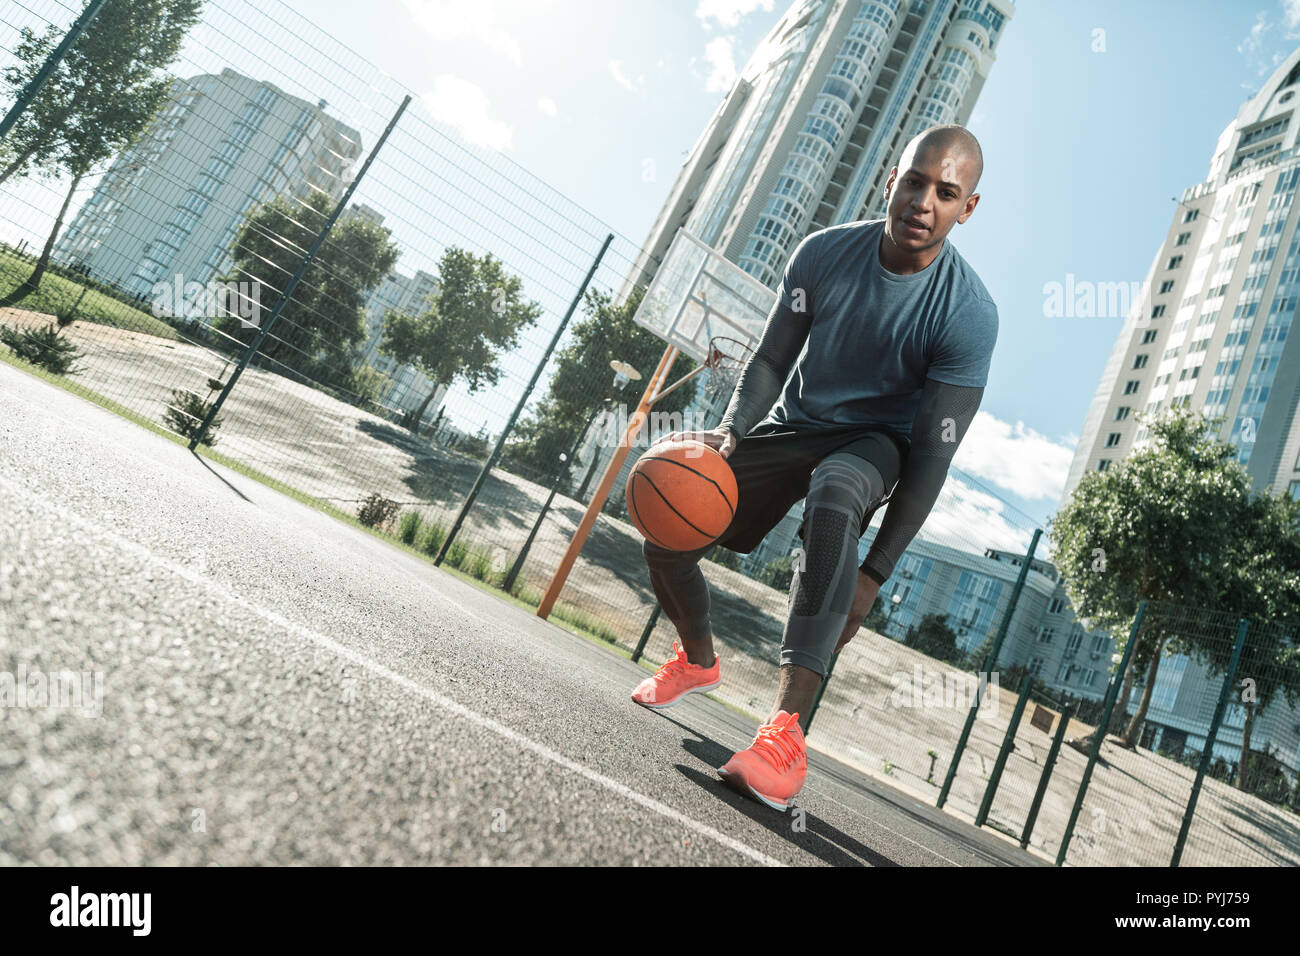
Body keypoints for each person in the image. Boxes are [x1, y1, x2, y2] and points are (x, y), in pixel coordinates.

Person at [630, 124, 999, 811]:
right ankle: (698, 660)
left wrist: (874, 570)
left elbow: (933, 452)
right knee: (668, 527)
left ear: (966, 209)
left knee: (836, 492)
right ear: (892, 179)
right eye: (915, 181)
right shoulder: (823, 254)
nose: (924, 201)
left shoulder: (968, 314)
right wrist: (734, 433)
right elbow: (772, 359)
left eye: (946, 193)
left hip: (877, 445)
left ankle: (784, 737)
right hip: (796, 423)